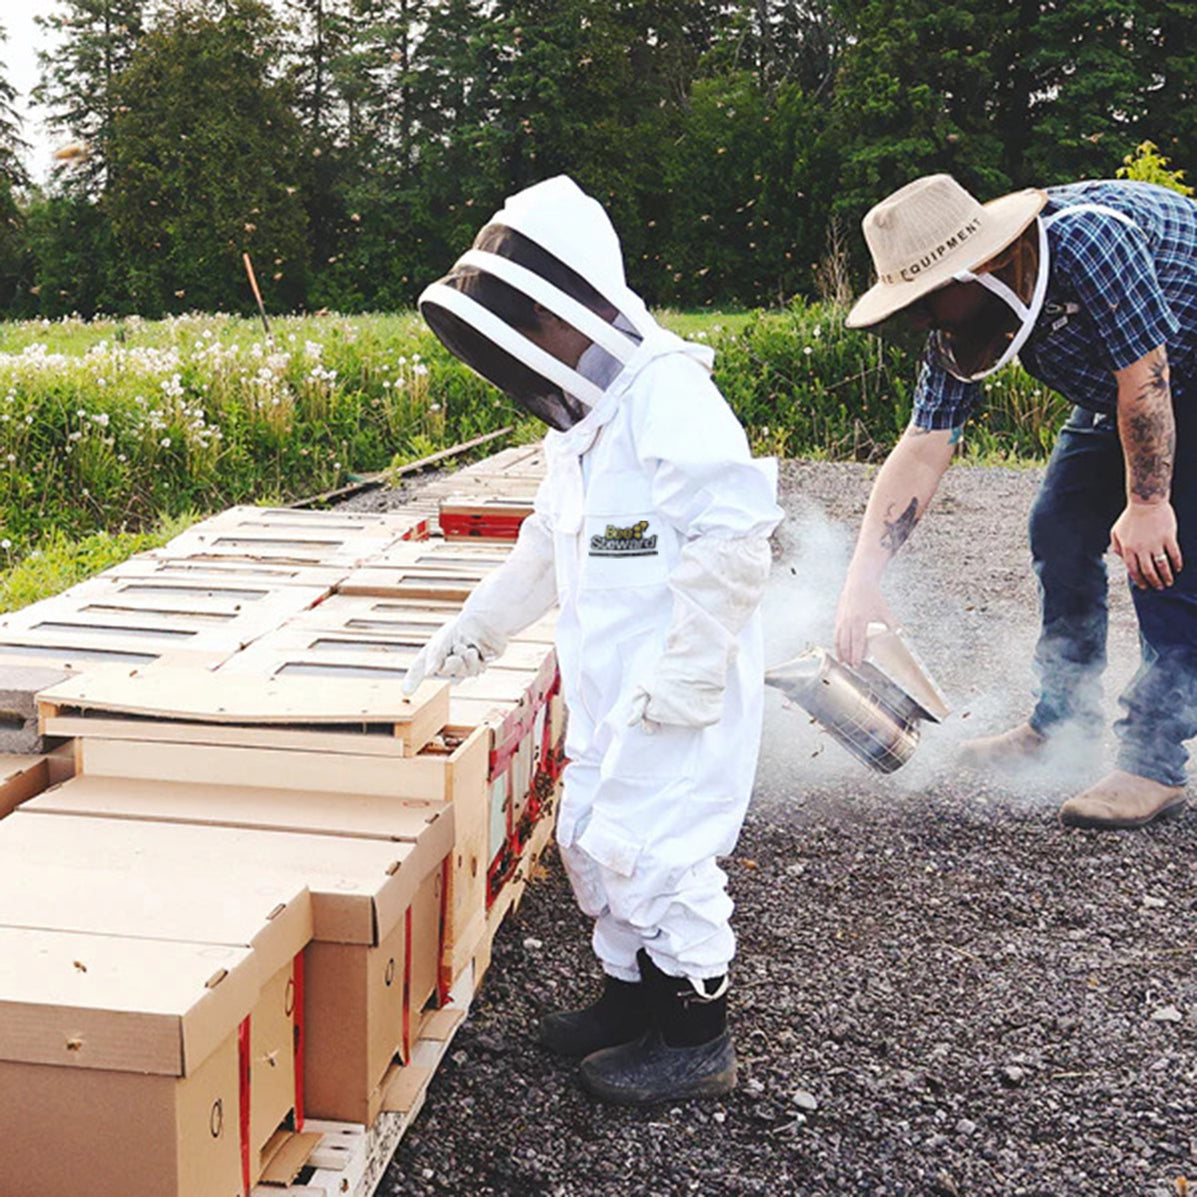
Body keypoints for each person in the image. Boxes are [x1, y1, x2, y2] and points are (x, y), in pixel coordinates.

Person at [403, 176, 783, 1104]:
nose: (529, 351)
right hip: (612, 685)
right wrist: (480, 626)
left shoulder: (670, 396)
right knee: (588, 837)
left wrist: (692, 674)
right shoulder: (579, 427)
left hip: (678, 689)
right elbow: (549, 542)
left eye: (534, 323)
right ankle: (628, 998)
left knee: (656, 855)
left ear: (577, 302)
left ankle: (696, 1038)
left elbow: (734, 536)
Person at [834, 172, 1197, 830]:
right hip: (1126, 385)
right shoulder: (959, 318)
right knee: (1056, 526)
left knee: (1164, 558)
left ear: (974, 269)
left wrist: (1147, 504)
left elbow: (1146, 377)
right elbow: (923, 442)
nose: (917, 317)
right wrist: (861, 578)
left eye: (924, 299)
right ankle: (1062, 722)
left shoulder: (1089, 240)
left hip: (1173, 369)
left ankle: (1151, 761)